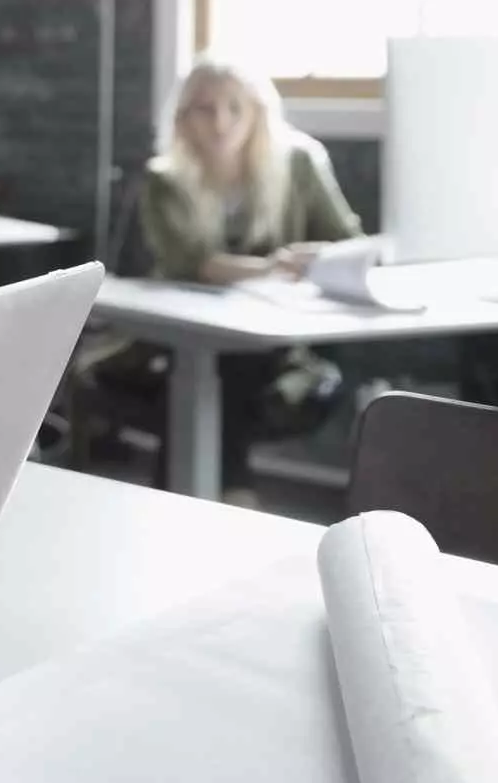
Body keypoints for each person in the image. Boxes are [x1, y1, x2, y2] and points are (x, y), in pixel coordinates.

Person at [139, 55, 365, 497]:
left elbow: (348, 242)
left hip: (280, 337)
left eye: (234, 108)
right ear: (185, 117)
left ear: (257, 112)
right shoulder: (165, 179)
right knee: (219, 366)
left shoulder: (298, 163)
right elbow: (189, 261)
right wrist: (273, 267)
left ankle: (188, 501)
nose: (221, 123)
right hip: (183, 333)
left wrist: (313, 257)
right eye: (205, 109)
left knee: (231, 371)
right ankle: (233, 494)